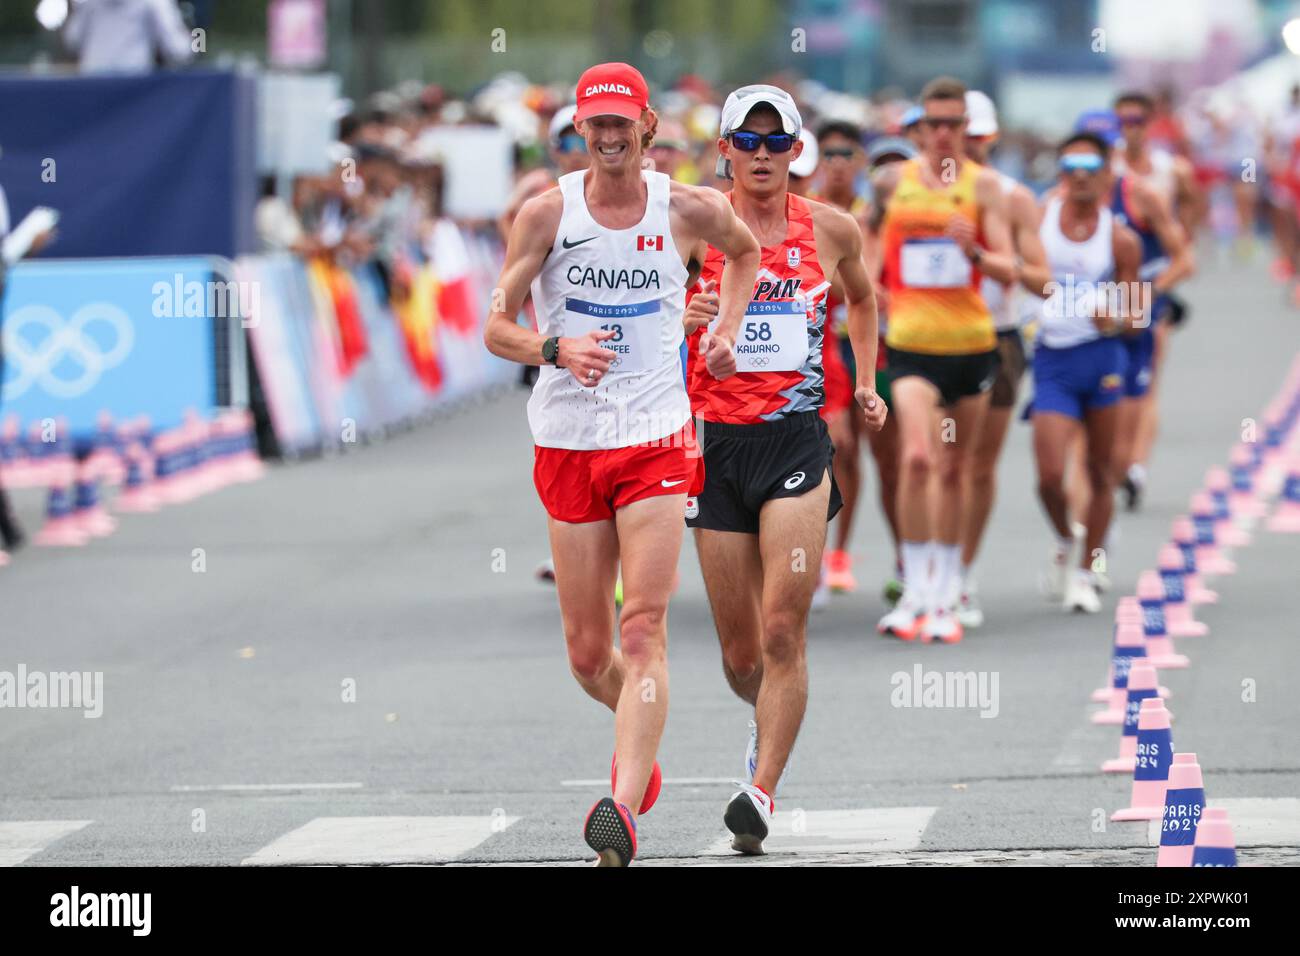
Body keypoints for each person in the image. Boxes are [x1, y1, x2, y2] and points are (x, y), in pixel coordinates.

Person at [482, 62, 761, 866]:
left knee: (642, 626)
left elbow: (744, 254)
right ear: (579, 129)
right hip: (568, 439)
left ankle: (622, 806)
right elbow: (495, 327)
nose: (609, 137)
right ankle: (642, 740)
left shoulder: (688, 208)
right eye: (595, 124)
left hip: (656, 437)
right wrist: (554, 348)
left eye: (621, 123)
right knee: (587, 652)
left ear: (647, 128)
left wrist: (725, 329)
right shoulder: (545, 214)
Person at [681, 84, 885, 854]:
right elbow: (648, 314)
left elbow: (862, 301)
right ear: (725, 149)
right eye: (748, 140)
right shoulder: (693, 224)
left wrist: (864, 382)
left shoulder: (831, 228)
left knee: (781, 628)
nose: (762, 154)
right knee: (741, 655)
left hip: (796, 443)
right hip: (716, 447)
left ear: (797, 152)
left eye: (776, 142)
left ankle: (760, 791)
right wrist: (685, 318)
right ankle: (764, 720)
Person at [871, 76, 1017, 644]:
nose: (943, 134)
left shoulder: (985, 188)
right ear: (919, 128)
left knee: (956, 468)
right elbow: (870, 253)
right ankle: (915, 586)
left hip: (972, 346)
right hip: (912, 345)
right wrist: (872, 291)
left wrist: (974, 249)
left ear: (965, 128)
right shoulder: (895, 183)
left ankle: (948, 588)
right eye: (933, 123)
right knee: (916, 459)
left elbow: (1009, 268)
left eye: (954, 124)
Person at [953, 91, 1052, 627]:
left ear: (990, 138)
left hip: (997, 336)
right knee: (925, 462)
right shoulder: (918, 193)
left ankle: (961, 575)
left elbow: (1043, 280)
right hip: (931, 339)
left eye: (974, 136)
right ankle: (923, 569)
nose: (963, 144)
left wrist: (988, 259)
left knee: (975, 465)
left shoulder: (1014, 198)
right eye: (954, 133)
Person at [1033, 131, 1141, 613]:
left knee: (1101, 472)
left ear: (1106, 176)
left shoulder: (1121, 239)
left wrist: (1113, 318)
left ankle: (1087, 572)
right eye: (1071, 167)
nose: (1080, 176)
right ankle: (1064, 534)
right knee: (1049, 476)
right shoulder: (1040, 221)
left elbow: (1137, 316)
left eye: (1090, 168)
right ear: (1060, 173)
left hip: (1102, 360)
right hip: (1053, 358)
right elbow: (1017, 269)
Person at [1109, 93, 1200, 509]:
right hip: (1109, 292)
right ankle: (1114, 457)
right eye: (1123, 121)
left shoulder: (1171, 169)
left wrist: (1180, 240)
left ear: (1150, 124)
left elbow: (1190, 209)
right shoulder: (1101, 169)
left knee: (1147, 383)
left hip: (1151, 284)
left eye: (1138, 120)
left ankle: (1136, 467)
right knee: (1112, 381)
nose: (1131, 128)